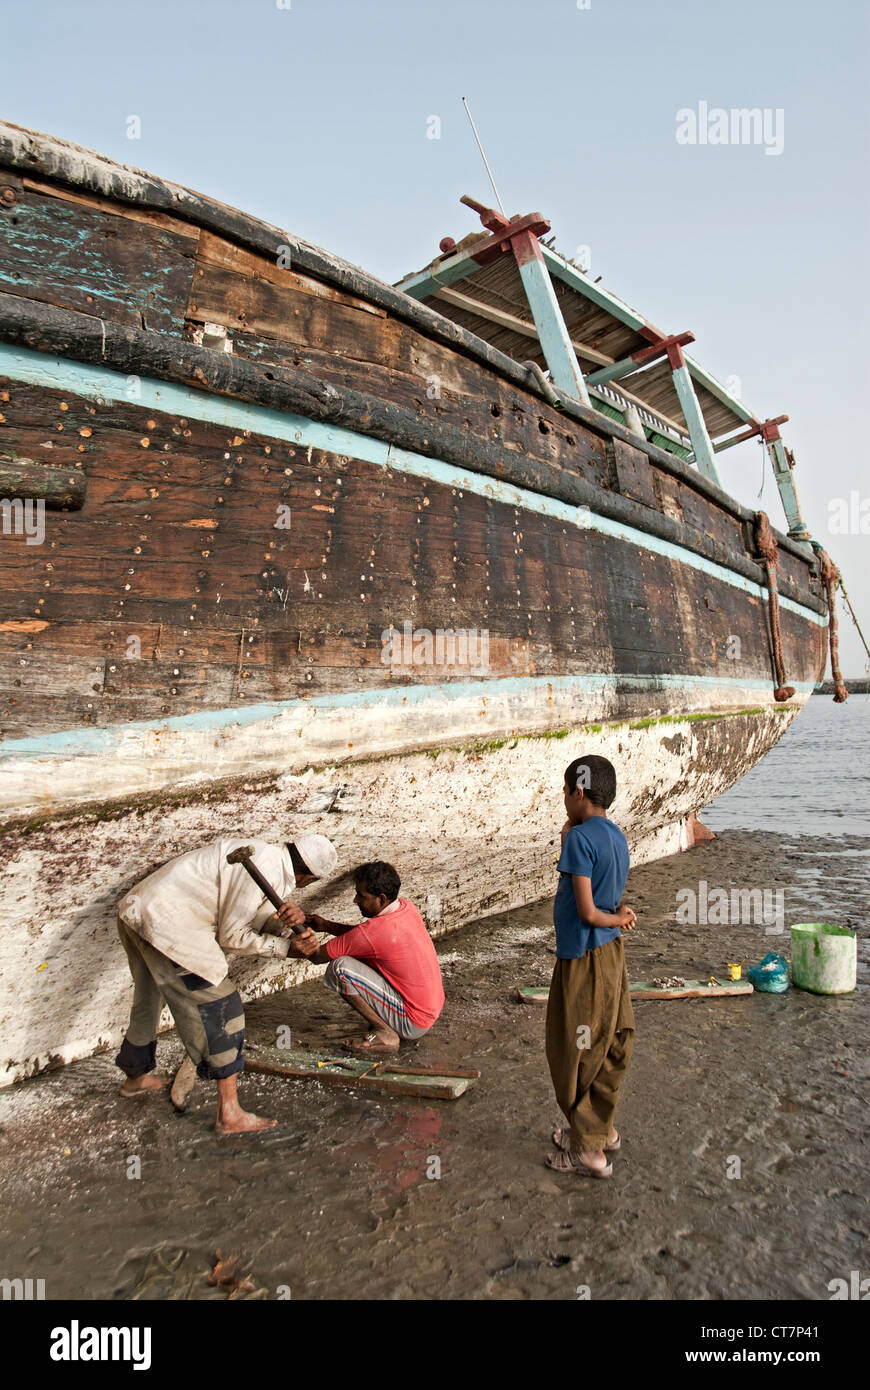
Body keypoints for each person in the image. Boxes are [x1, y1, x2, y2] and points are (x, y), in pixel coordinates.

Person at [114, 833, 337, 1133]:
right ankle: (228, 1113)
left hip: (138, 908)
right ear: (309, 877)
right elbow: (232, 937)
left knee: (148, 998)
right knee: (224, 1006)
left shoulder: (268, 857)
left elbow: (254, 919)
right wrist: (287, 950)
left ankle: (135, 1078)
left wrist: (290, 930)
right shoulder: (268, 867)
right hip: (168, 923)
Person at [545, 755, 636, 1178]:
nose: (564, 801)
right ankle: (599, 1130)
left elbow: (588, 911)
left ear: (577, 791)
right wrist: (617, 914)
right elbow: (608, 893)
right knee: (606, 1040)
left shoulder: (580, 841)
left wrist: (618, 918)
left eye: (565, 792)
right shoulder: (615, 836)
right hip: (609, 958)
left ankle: (588, 1151)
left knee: (574, 1050)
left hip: (583, 957)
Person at [287, 861, 444, 1053]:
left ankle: (385, 1032)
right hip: (430, 1009)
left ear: (382, 899)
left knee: (340, 968)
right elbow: (366, 939)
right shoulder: (406, 908)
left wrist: (288, 939)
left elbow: (317, 956)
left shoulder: (371, 933)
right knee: (356, 956)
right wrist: (327, 926)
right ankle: (387, 1021)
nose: (355, 900)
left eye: (361, 895)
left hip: (412, 1022)